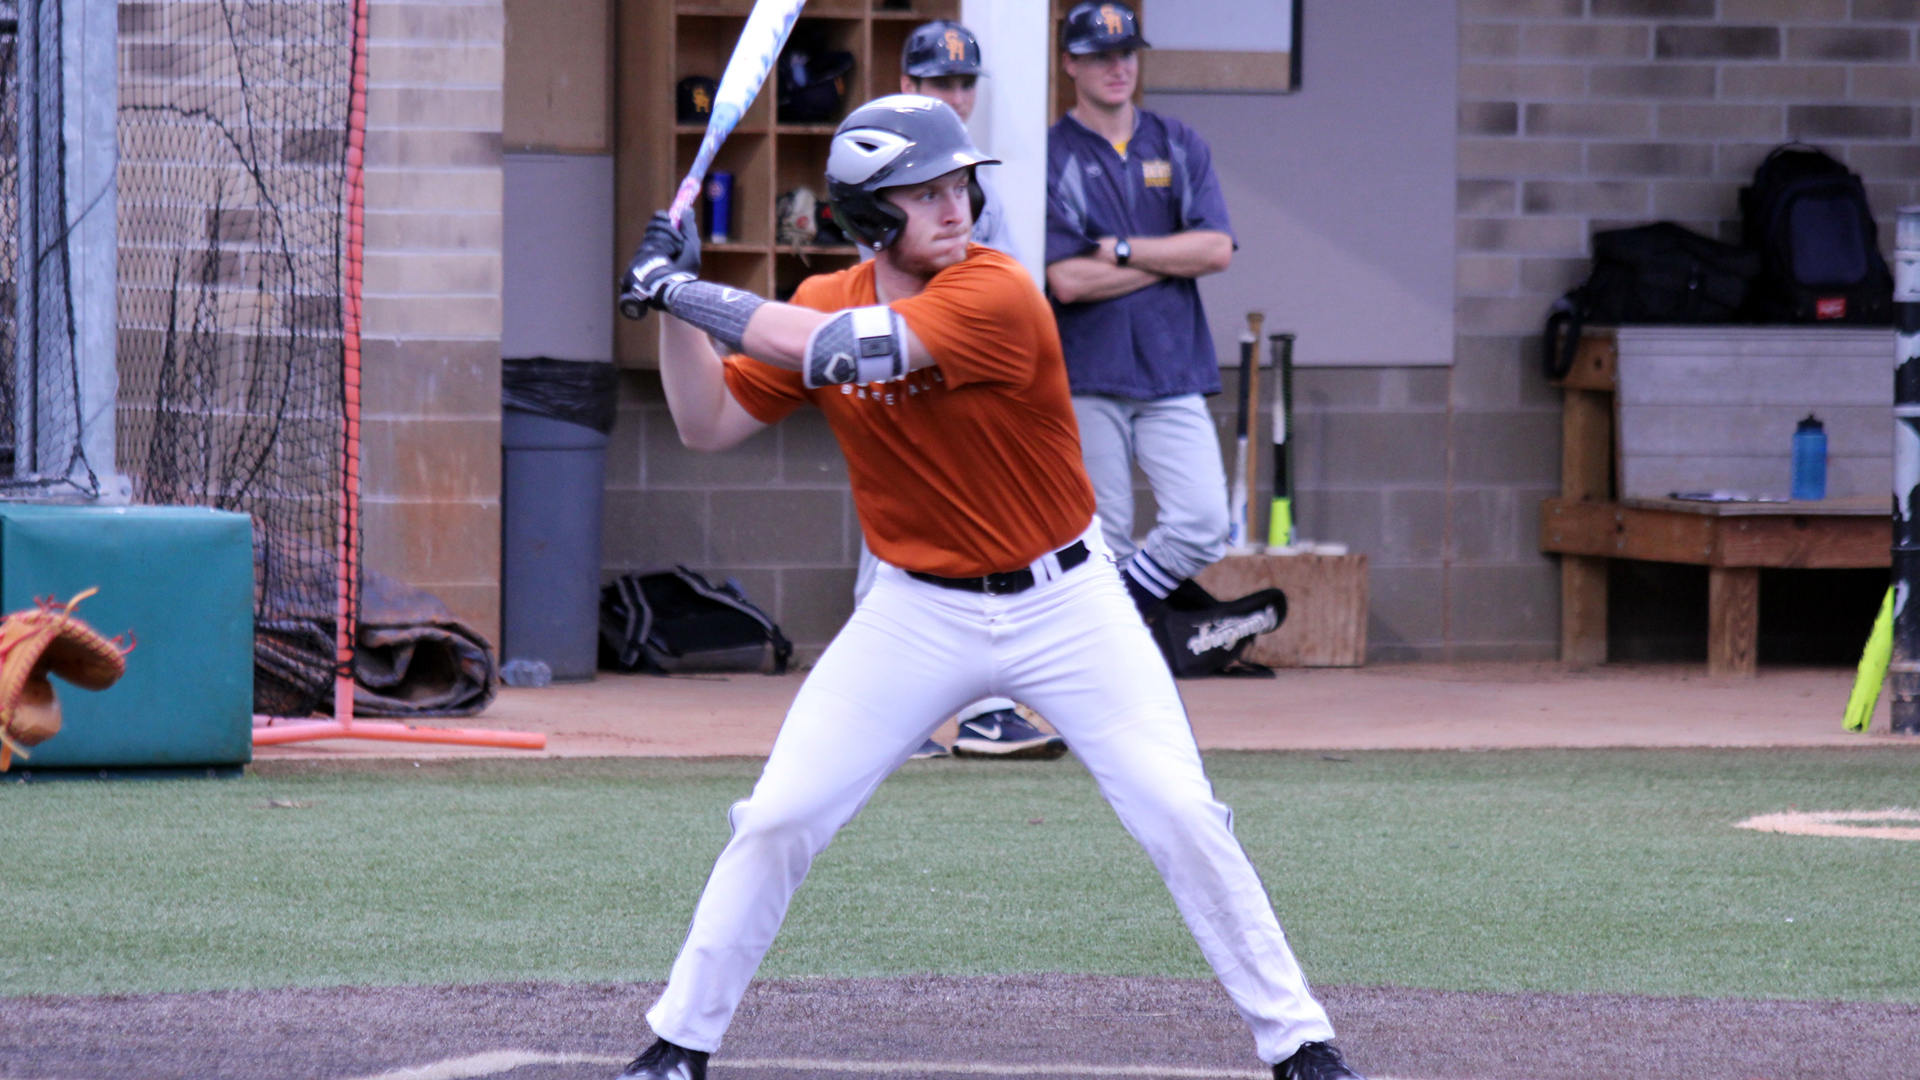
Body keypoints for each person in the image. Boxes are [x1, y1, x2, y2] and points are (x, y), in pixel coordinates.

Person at [612, 95, 1363, 1080]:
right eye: (924, 192)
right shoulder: (825, 298)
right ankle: (680, 1044)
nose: (956, 203)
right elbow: (705, 420)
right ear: (870, 213)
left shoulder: (997, 292)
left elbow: (844, 353)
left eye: (959, 182)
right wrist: (672, 301)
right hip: (915, 611)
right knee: (779, 815)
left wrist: (686, 292)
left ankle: (1300, 1043)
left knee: (1180, 812)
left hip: (1066, 603)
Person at [866, 18, 1063, 761]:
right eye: (938, 81)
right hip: (901, 377)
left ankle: (950, 717)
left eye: (963, 81)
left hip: (955, 380)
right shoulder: (887, 163)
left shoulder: (965, 174)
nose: (954, 93)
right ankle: (923, 718)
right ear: (909, 83)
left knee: (932, 552)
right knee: (899, 552)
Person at [1045, 1, 1236, 617]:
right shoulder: (1053, 153)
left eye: (1126, 52)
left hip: (1172, 369)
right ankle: (1107, 672)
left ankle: (1118, 620)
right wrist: (1167, 258)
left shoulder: (1178, 142)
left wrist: (1124, 251)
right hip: (1086, 372)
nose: (1117, 66)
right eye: (1099, 56)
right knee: (1102, 539)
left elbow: (1215, 250)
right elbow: (1068, 279)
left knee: (1205, 521)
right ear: (1069, 62)